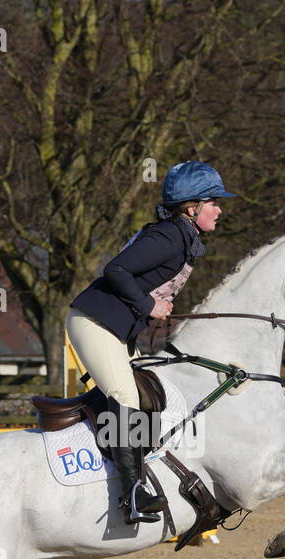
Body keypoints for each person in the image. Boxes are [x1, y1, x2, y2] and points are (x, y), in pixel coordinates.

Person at [68, 160, 235, 524]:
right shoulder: (170, 235)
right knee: (127, 397)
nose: (220, 209)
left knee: (151, 392)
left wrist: (152, 307)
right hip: (94, 323)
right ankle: (132, 495)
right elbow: (115, 269)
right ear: (192, 208)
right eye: (214, 203)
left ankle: (139, 472)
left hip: (114, 329)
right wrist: (149, 304)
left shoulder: (181, 236)